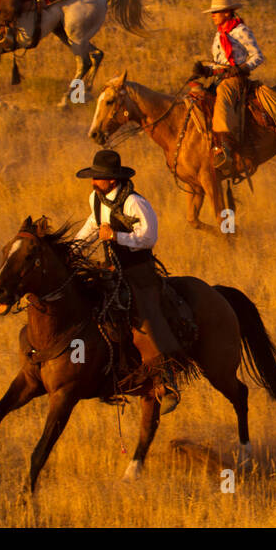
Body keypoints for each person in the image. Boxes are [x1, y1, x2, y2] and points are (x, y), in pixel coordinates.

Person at [73, 150, 182, 412]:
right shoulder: (95, 198)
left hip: (138, 271)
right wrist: (74, 250)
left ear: (112, 180)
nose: (93, 182)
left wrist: (117, 239)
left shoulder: (134, 202)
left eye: (98, 178)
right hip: (112, 268)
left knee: (143, 313)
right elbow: (92, 225)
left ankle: (166, 378)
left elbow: (149, 236)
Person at [202, 0, 265, 170]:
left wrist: (243, 68)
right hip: (220, 77)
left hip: (235, 80)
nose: (213, 15)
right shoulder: (219, 34)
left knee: (223, 96)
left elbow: (258, 56)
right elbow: (218, 61)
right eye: (212, 13)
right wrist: (206, 70)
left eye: (216, 12)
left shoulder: (241, 31)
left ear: (227, 13)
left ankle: (224, 148)